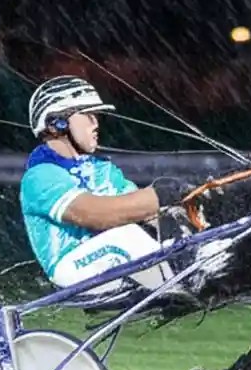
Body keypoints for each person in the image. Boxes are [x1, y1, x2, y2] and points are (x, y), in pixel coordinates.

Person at [19, 75, 201, 296]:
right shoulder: (40, 176)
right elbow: (96, 214)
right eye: (88, 115)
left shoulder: (103, 170)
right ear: (57, 124)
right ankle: (184, 281)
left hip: (113, 259)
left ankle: (200, 268)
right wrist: (161, 195)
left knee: (171, 218)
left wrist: (188, 200)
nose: (96, 124)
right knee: (124, 235)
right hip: (71, 270)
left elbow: (140, 208)